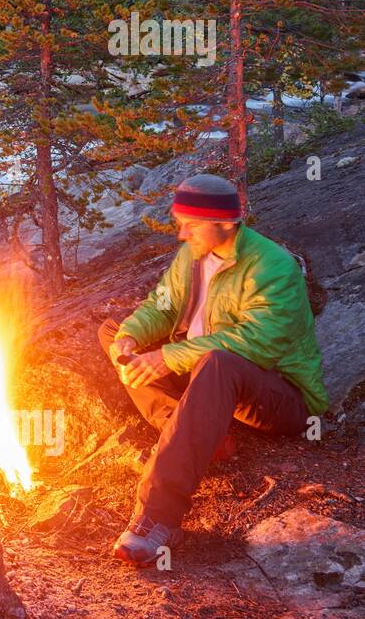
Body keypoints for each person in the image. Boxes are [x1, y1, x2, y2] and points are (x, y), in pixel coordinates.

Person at [98, 174, 328, 565]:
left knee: (218, 362)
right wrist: (131, 337)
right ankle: (197, 433)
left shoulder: (273, 266)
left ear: (225, 223)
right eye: (179, 222)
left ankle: (159, 517)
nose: (181, 234)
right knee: (110, 332)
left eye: (191, 224)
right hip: (210, 377)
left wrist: (168, 357)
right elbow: (163, 306)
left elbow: (257, 343)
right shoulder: (192, 255)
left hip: (280, 395)